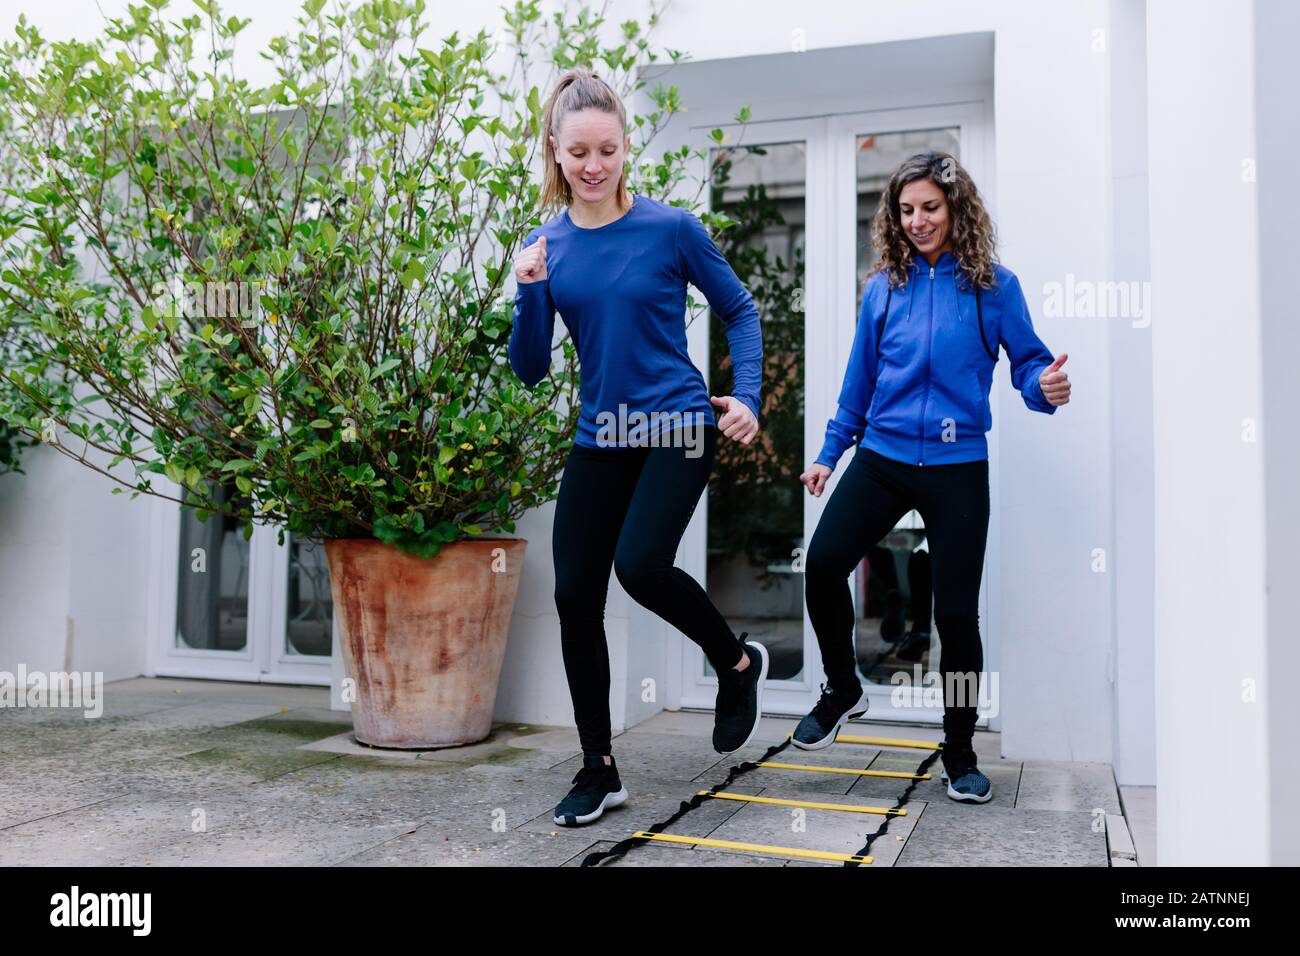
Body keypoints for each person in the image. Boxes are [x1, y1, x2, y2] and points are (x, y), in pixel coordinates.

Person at [508, 68, 769, 827]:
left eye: (608, 150)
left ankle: (735, 663)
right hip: (602, 435)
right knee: (574, 594)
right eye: (579, 152)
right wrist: (528, 289)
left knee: (642, 565)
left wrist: (746, 395)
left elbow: (740, 310)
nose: (594, 166)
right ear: (556, 153)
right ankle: (600, 770)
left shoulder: (672, 229)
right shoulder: (544, 246)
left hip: (679, 423)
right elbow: (530, 370)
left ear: (625, 149)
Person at [794, 151, 1071, 803]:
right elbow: (858, 383)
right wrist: (830, 454)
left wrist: (1045, 387)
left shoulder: (993, 287)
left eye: (930, 207)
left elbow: (1028, 364)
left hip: (956, 467)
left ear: (956, 209)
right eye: (906, 209)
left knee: (957, 615)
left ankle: (961, 751)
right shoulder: (881, 288)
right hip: (884, 458)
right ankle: (842, 688)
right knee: (824, 563)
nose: (917, 220)